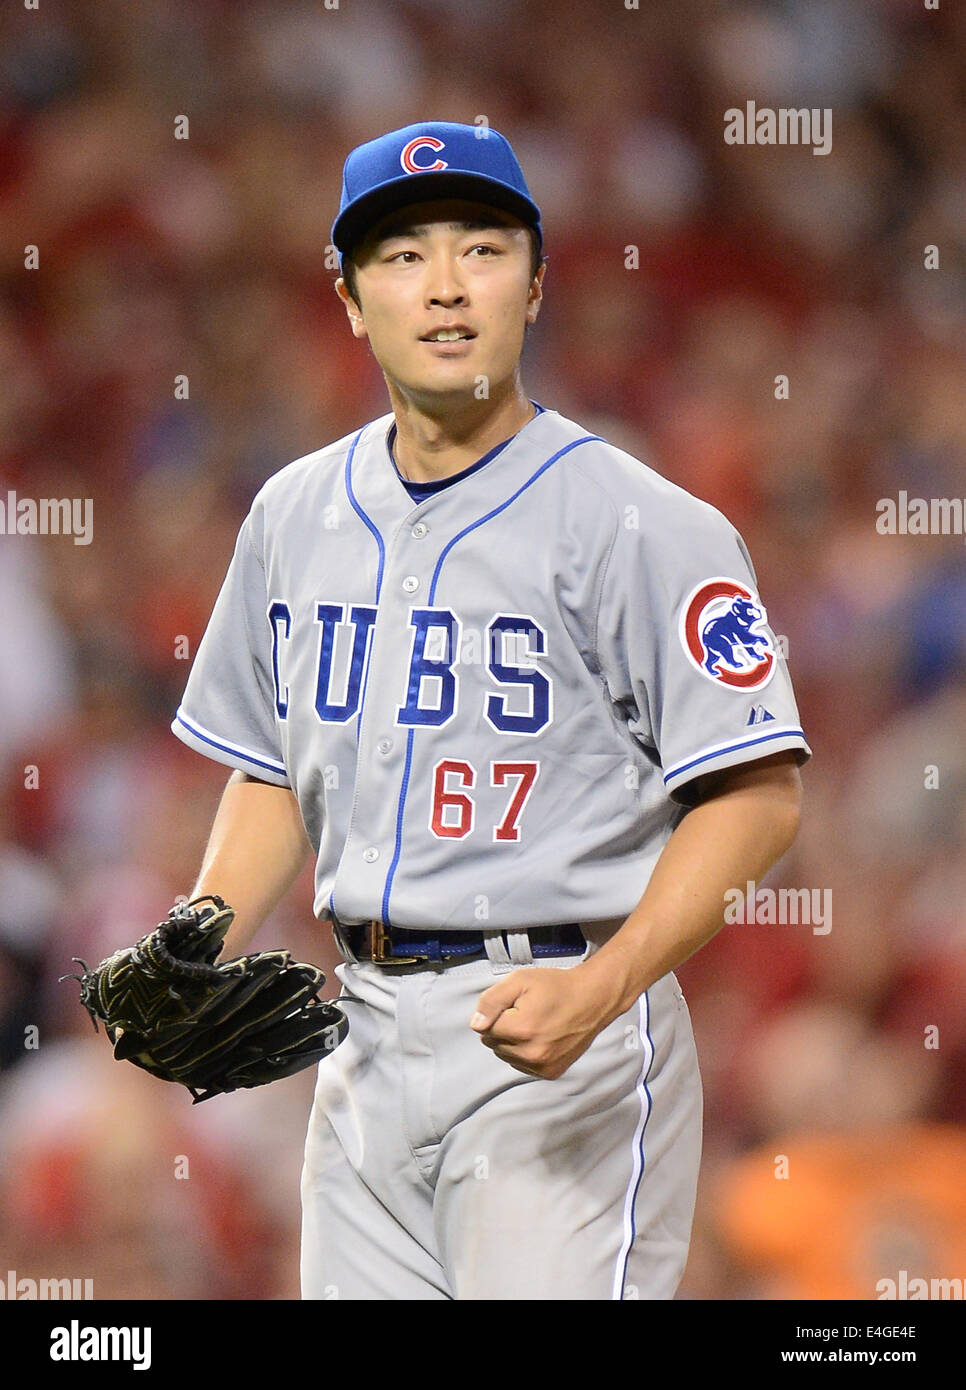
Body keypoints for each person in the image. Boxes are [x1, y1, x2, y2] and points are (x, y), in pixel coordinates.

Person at [171, 121, 810, 1300]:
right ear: (353, 299)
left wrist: (607, 984)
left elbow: (757, 791)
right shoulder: (292, 513)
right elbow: (272, 765)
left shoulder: (641, 520)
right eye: (404, 255)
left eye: (484, 247)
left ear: (537, 283)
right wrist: (200, 930)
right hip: (357, 1039)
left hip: (561, 1028)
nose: (448, 284)